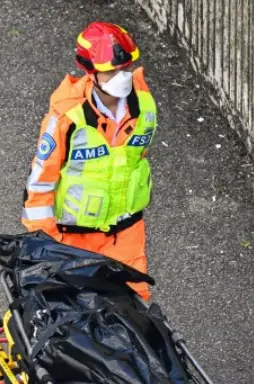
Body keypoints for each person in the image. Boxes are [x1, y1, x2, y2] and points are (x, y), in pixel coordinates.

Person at [22, 22, 158, 303]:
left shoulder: (144, 106)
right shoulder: (66, 119)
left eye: (126, 68)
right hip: (72, 239)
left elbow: (136, 161)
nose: (122, 76)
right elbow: (40, 186)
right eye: (112, 70)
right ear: (91, 72)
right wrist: (48, 244)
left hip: (126, 234)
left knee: (135, 310)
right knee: (77, 318)